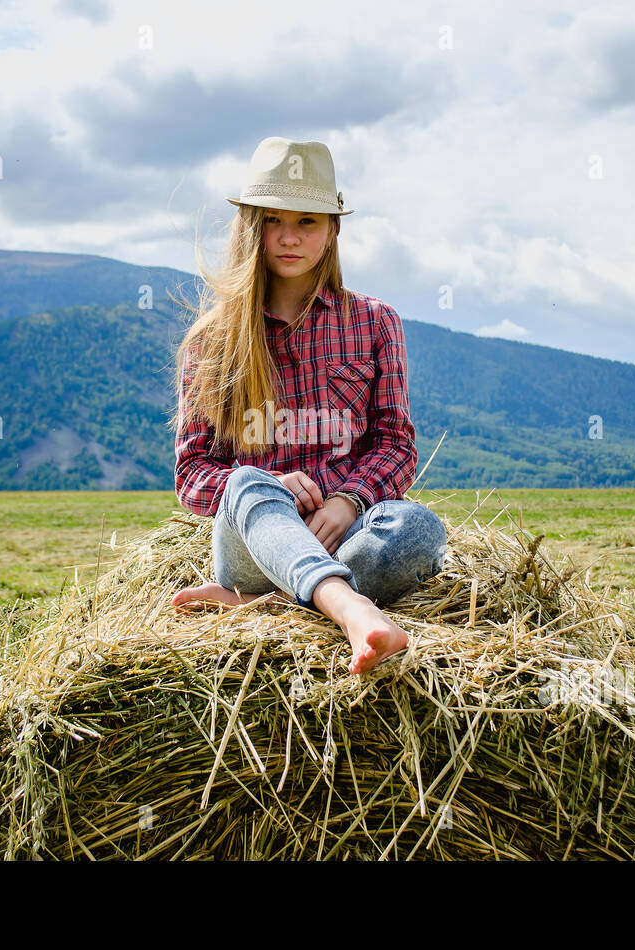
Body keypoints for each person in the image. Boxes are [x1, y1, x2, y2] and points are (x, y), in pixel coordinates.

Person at [169, 137, 447, 674]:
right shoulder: (213, 340)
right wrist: (270, 488)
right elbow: (191, 472)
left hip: (348, 534)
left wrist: (347, 500)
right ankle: (350, 608)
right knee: (247, 481)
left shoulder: (375, 323)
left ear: (333, 229)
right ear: (251, 226)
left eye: (309, 221)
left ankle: (270, 604)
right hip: (250, 541)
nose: (290, 237)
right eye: (274, 220)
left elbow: (396, 447)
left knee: (418, 531)